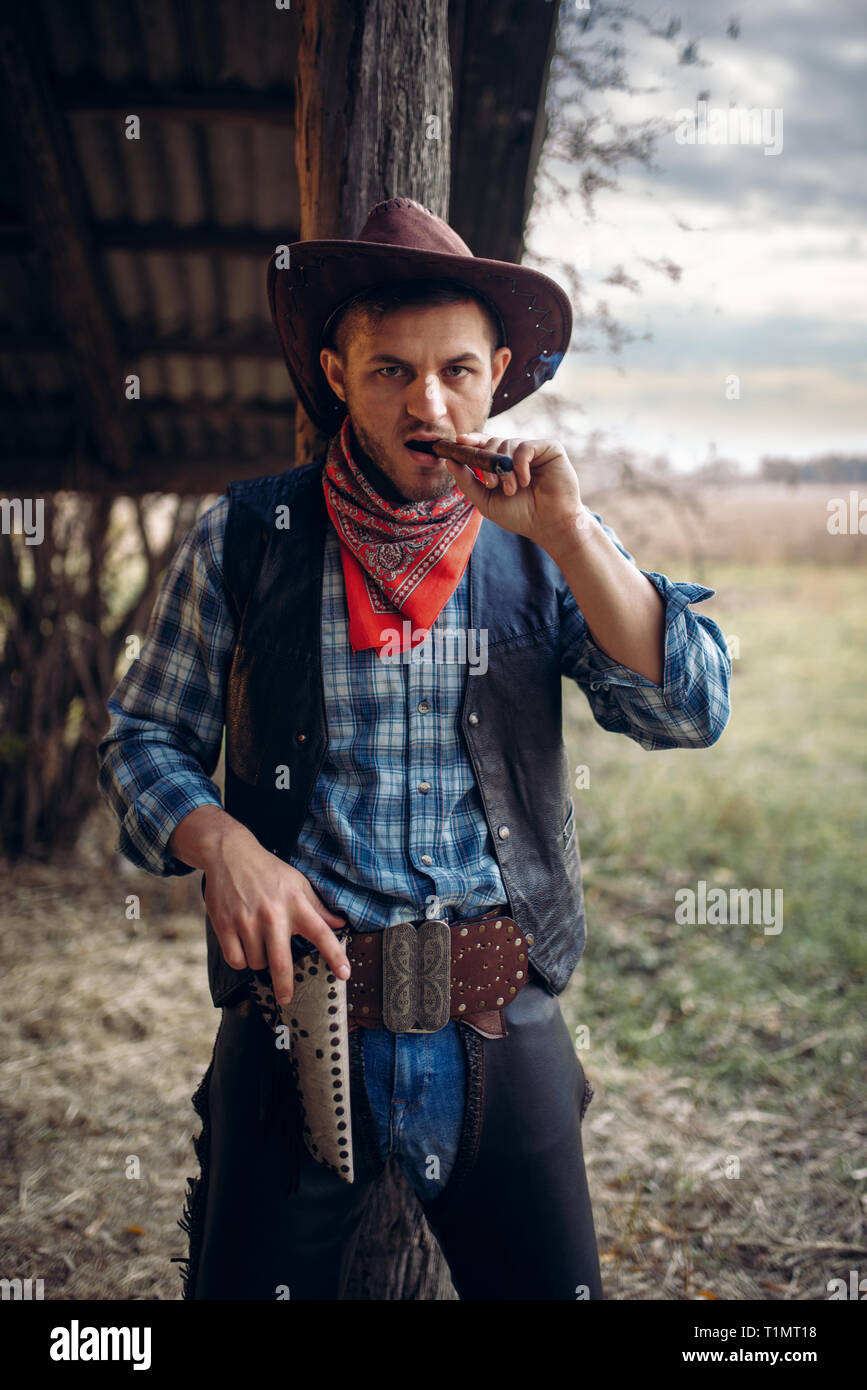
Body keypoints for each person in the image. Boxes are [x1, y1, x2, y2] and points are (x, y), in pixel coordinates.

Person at [97, 196, 731, 1301]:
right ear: (338, 375)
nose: (427, 404)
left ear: (500, 378)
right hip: (293, 1024)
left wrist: (573, 535)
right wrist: (222, 842)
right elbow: (141, 734)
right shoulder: (249, 534)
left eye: (457, 371)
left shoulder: (545, 536)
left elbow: (689, 708)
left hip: (502, 1017)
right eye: (391, 371)